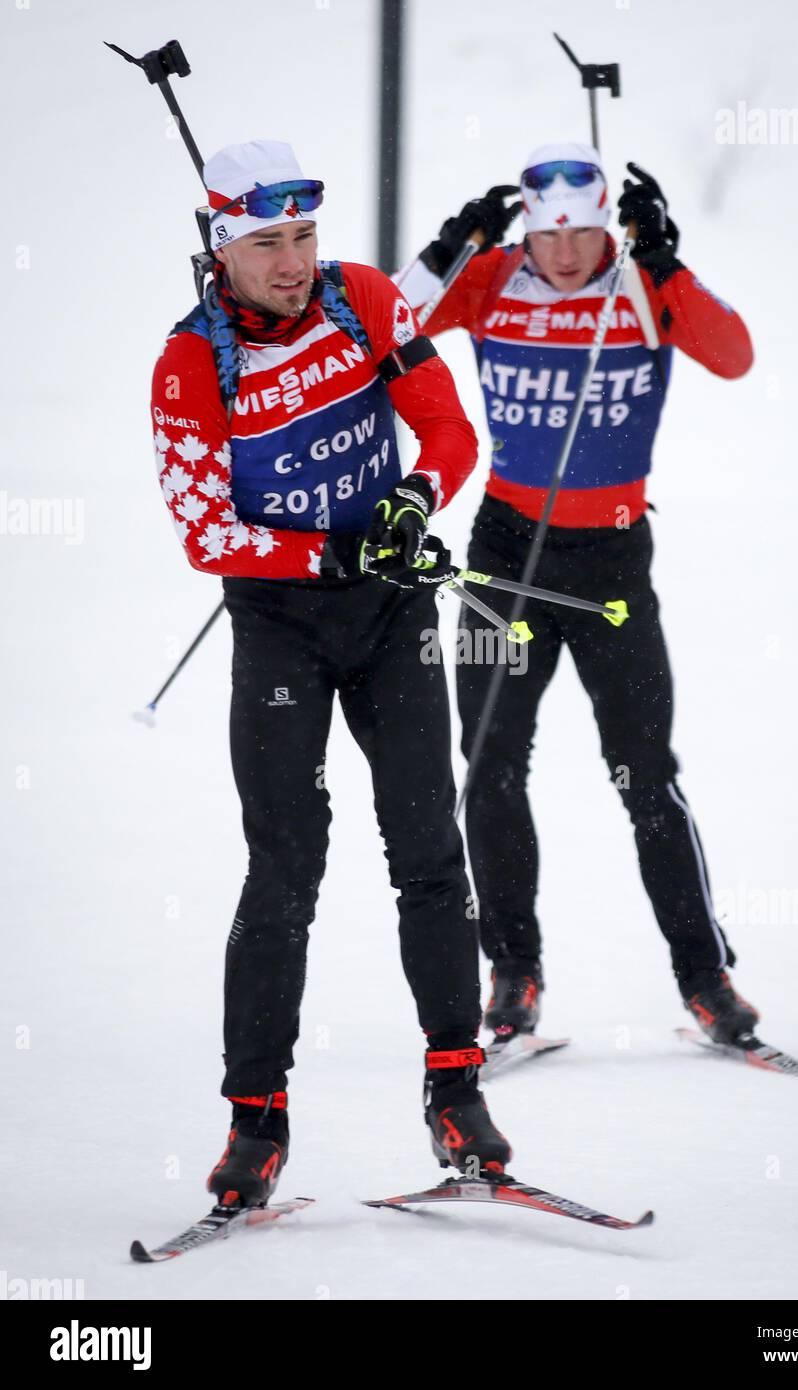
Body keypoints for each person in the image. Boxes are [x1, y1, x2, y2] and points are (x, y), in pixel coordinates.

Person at [150, 139, 511, 1208]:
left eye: (304, 235)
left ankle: (457, 1082)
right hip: (282, 629)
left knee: (428, 846)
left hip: (389, 615)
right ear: (223, 250)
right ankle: (255, 1118)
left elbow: (446, 425)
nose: (296, 261)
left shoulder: (361, 300)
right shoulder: (191, 359)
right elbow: (203, 528)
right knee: (284, 867)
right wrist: (327, 551)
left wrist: (413, 500)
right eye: (268, 242)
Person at [396, 141, 759, 1047]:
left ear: (609, 226)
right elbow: (382, 330)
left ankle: (704, 977)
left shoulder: (640, 287)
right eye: (548, 236)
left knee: (646, 774)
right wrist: (447, 250)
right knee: (489, 766)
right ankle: (512, 973)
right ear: (523, 225)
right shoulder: (488, 280)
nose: (565, 256)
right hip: (502, 562)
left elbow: (736, 356)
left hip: (613, 570)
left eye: (586, 234)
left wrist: (669, 261)